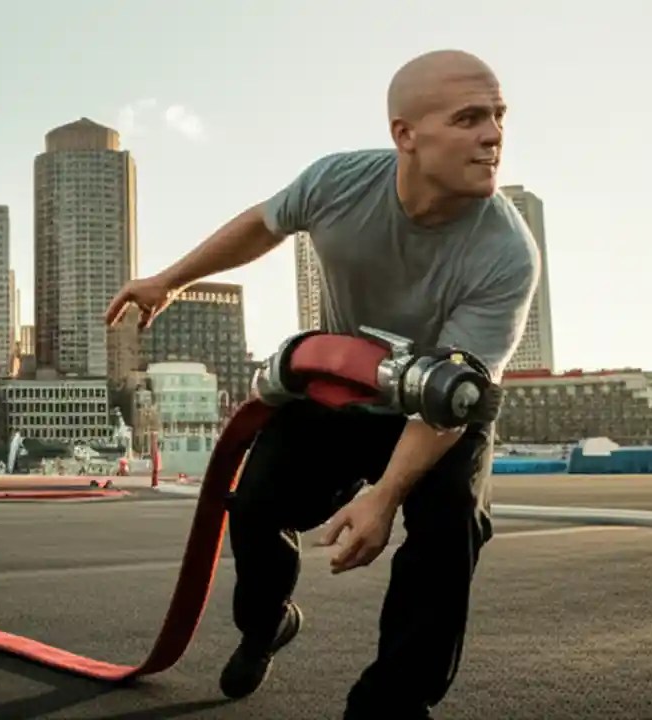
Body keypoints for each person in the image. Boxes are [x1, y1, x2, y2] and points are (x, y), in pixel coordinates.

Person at [104, 49, 540, 719]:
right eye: (469, 118)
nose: (494, 136)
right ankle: (267, 621)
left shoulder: (505, 251)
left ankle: (391, 706)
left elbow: (454, 396)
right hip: (345, 389)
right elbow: (262, 223)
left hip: (442, 407)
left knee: (450, 527)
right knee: (252, 507)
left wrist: (386, 496)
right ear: (406, 135)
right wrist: (170, 278)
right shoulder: (341, 182)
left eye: (498, 117)